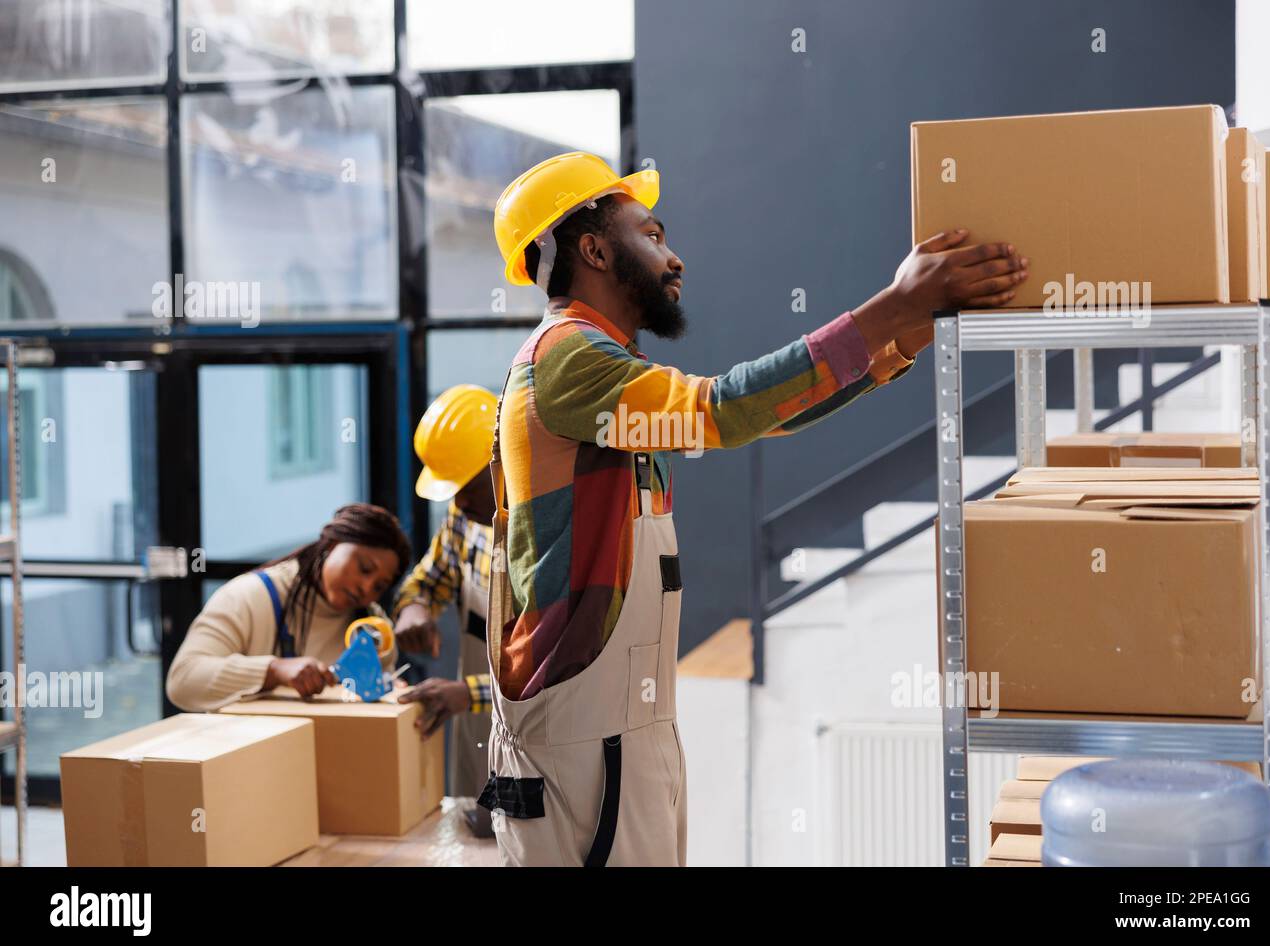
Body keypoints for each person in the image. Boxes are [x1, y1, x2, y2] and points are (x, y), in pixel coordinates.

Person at [477, 151, 1030, 866]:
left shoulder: (607, 374)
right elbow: (725, 408)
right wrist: (890, 307)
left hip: (618, 731)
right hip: (584, 736)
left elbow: (757, 418)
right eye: (652, 235)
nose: (673, 259)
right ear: (592, 249)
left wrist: (901, 339)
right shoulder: (566, 362)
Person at [166, 503, 412, 713]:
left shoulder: (371, 625)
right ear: (332, 545)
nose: (366, 589)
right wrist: (272, 671)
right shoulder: (252, 597)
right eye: (364, 568)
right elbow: (182, 681)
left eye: (380, 586)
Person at [391, 385, 498, 807]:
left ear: (501, 459)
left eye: (466, 485)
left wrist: (467, 694)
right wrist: (413, 610)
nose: (458, 499)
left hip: (535, 736)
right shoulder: (463, 520)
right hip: (472, 730)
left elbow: (558, 676)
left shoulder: (546, 537)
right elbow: (424, 583)